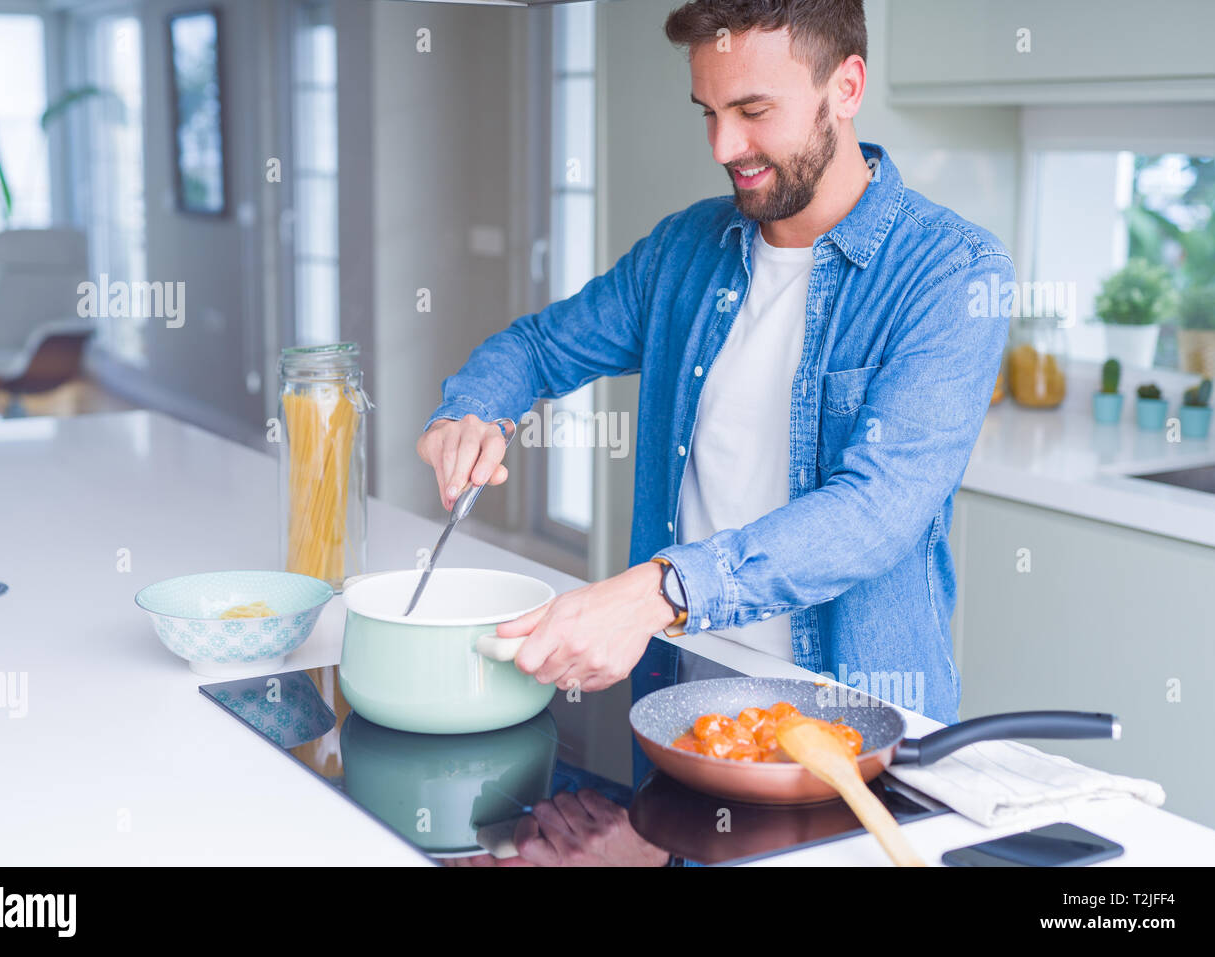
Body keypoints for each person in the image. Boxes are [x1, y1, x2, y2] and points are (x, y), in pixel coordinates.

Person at [416, 0, 1013, 769]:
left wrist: (657, 591)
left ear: (847, 85)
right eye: (709, 112)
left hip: (854, 731)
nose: (724, 146)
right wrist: (473, 410)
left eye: (753, 110)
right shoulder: (683, 251)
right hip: (681, 711)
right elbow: (536, 347)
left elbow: (879, 509)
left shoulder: (951, 272)